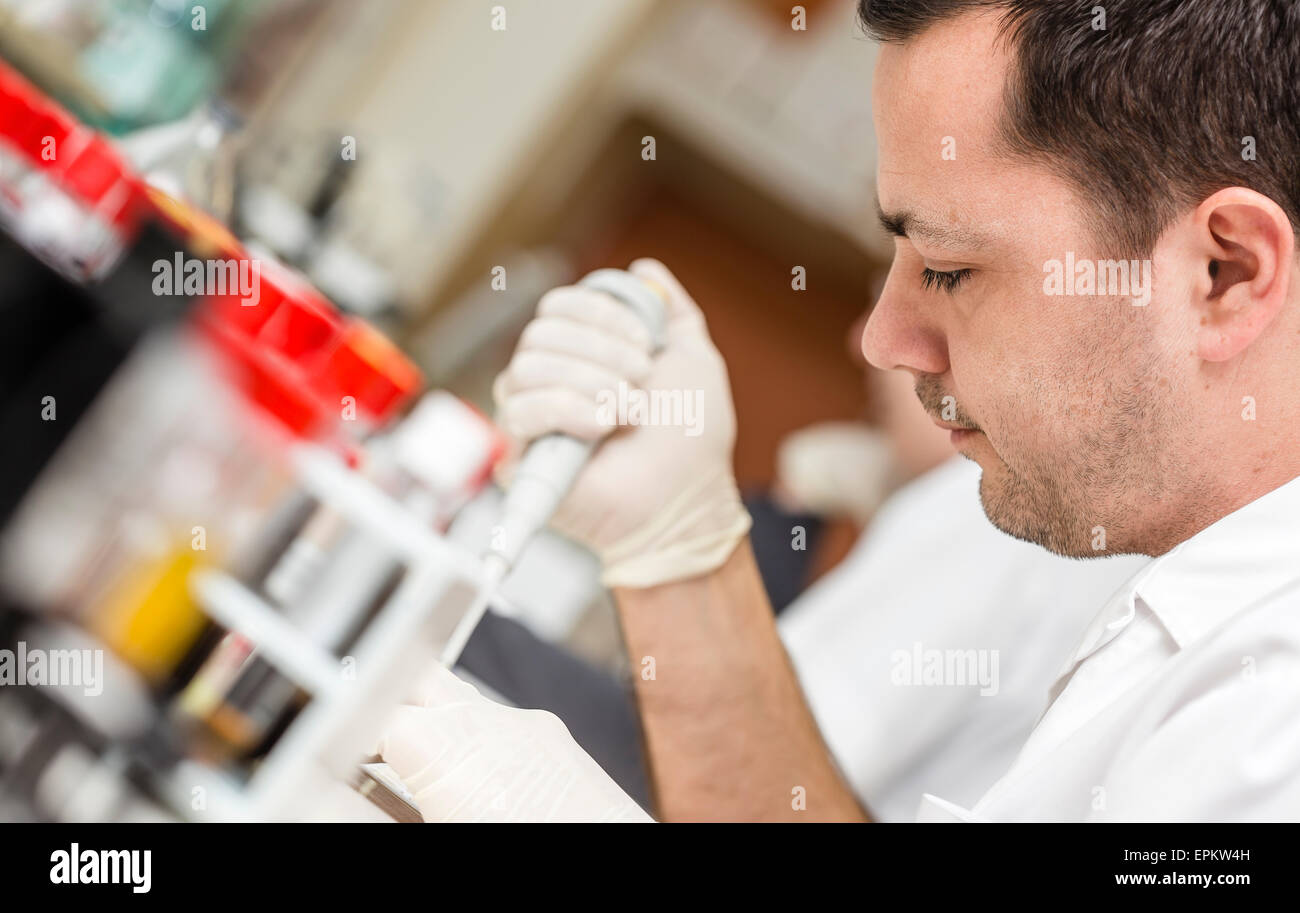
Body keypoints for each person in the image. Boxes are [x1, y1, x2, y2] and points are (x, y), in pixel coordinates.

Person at [383, 0, 1300, 822]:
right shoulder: (1186, 591)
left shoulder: (1271, 716)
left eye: (949, 268)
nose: (882, 340)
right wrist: (678, 545)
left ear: (1225, 273)